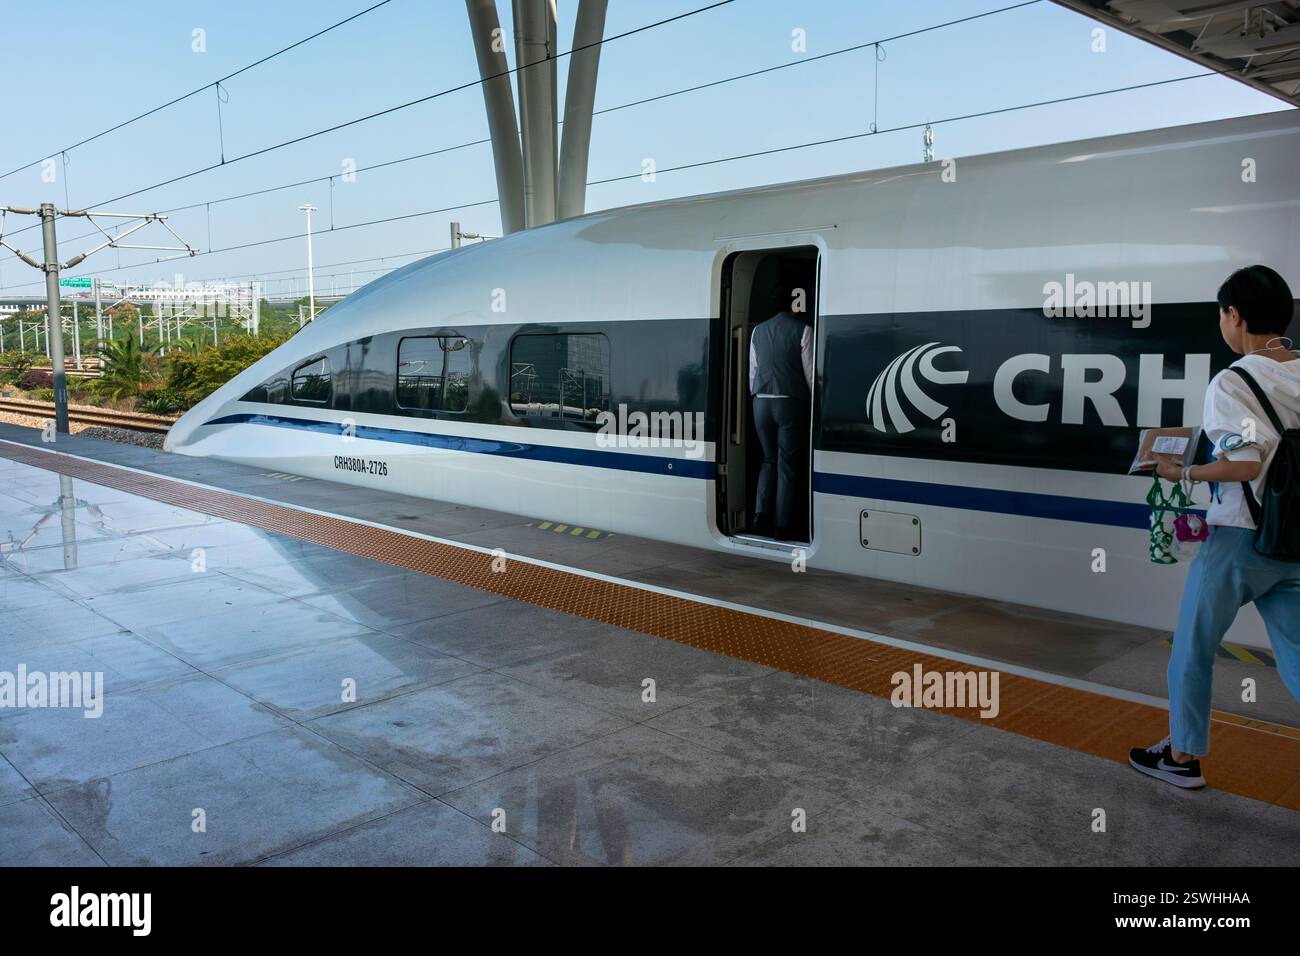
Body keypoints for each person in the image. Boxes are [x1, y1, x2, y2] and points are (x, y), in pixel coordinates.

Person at [1130, 264, 1300, 789]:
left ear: (1234, 316)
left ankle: (1181, 758)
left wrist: (1183, 471)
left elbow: (1244, 463)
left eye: (1222, 314)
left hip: (1241, 539)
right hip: (1295, 541)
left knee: (1193, 648)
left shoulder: (1235, 379)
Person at [749, 286, 814, 540]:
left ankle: (759, 516)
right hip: (789, 402)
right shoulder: (803, 329)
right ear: (794, 305)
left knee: (768, 460)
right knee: (788, 464)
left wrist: (757, 395)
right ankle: (783, 525)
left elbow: (752, 371)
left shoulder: (757, 331)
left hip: (761, 403)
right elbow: (809, 372)